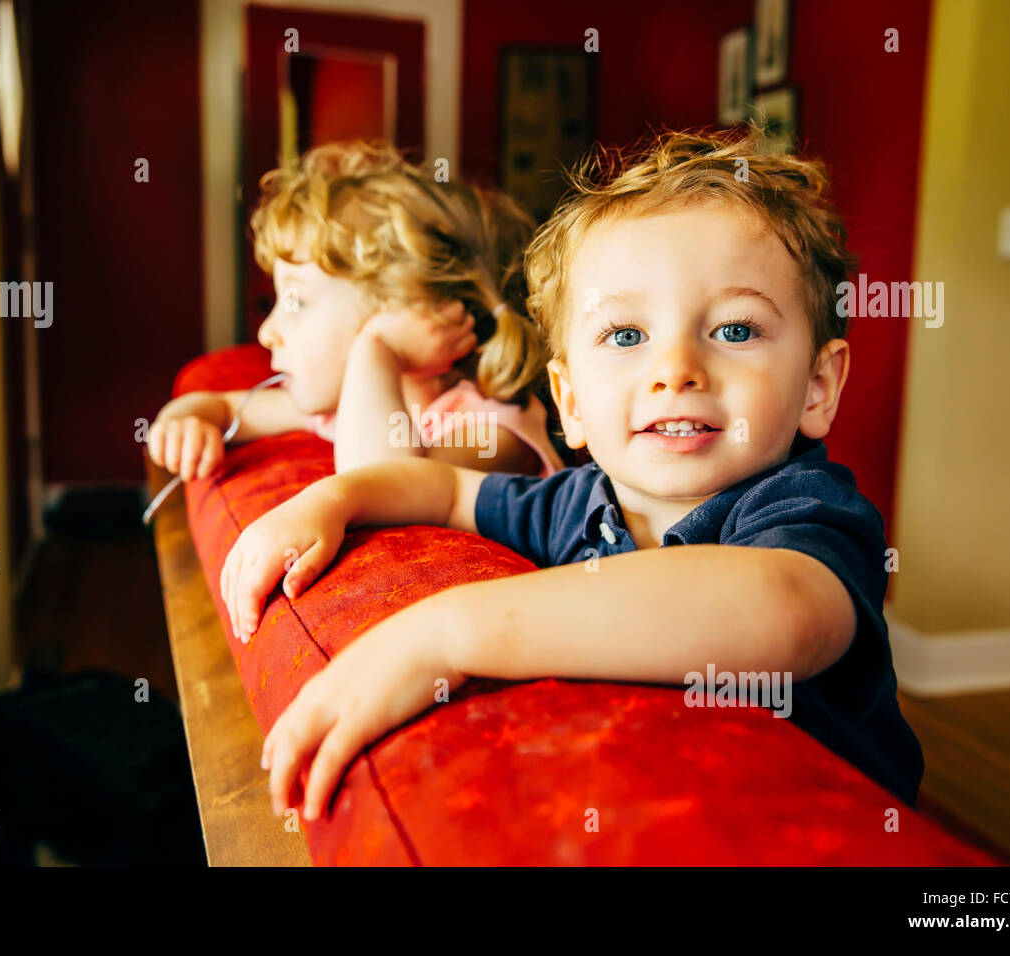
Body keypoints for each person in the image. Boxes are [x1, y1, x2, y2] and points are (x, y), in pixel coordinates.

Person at [222, 128, 924, 820]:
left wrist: (444, 633)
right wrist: (334, 498)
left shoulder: (807, 509)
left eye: (735, 330)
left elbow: (782, 612)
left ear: (818, 387)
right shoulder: (574, 502)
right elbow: (444, 489)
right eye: (626, 336)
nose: (675, 370)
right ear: (571, 400)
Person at [147, 141, 563, 480]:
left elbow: (375, 485)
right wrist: (185, 420)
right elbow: (219, 407)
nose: (266, 332)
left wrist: (375, 346)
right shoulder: (342, 404)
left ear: (413, 311)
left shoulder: (493, 429)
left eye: (296, 300)